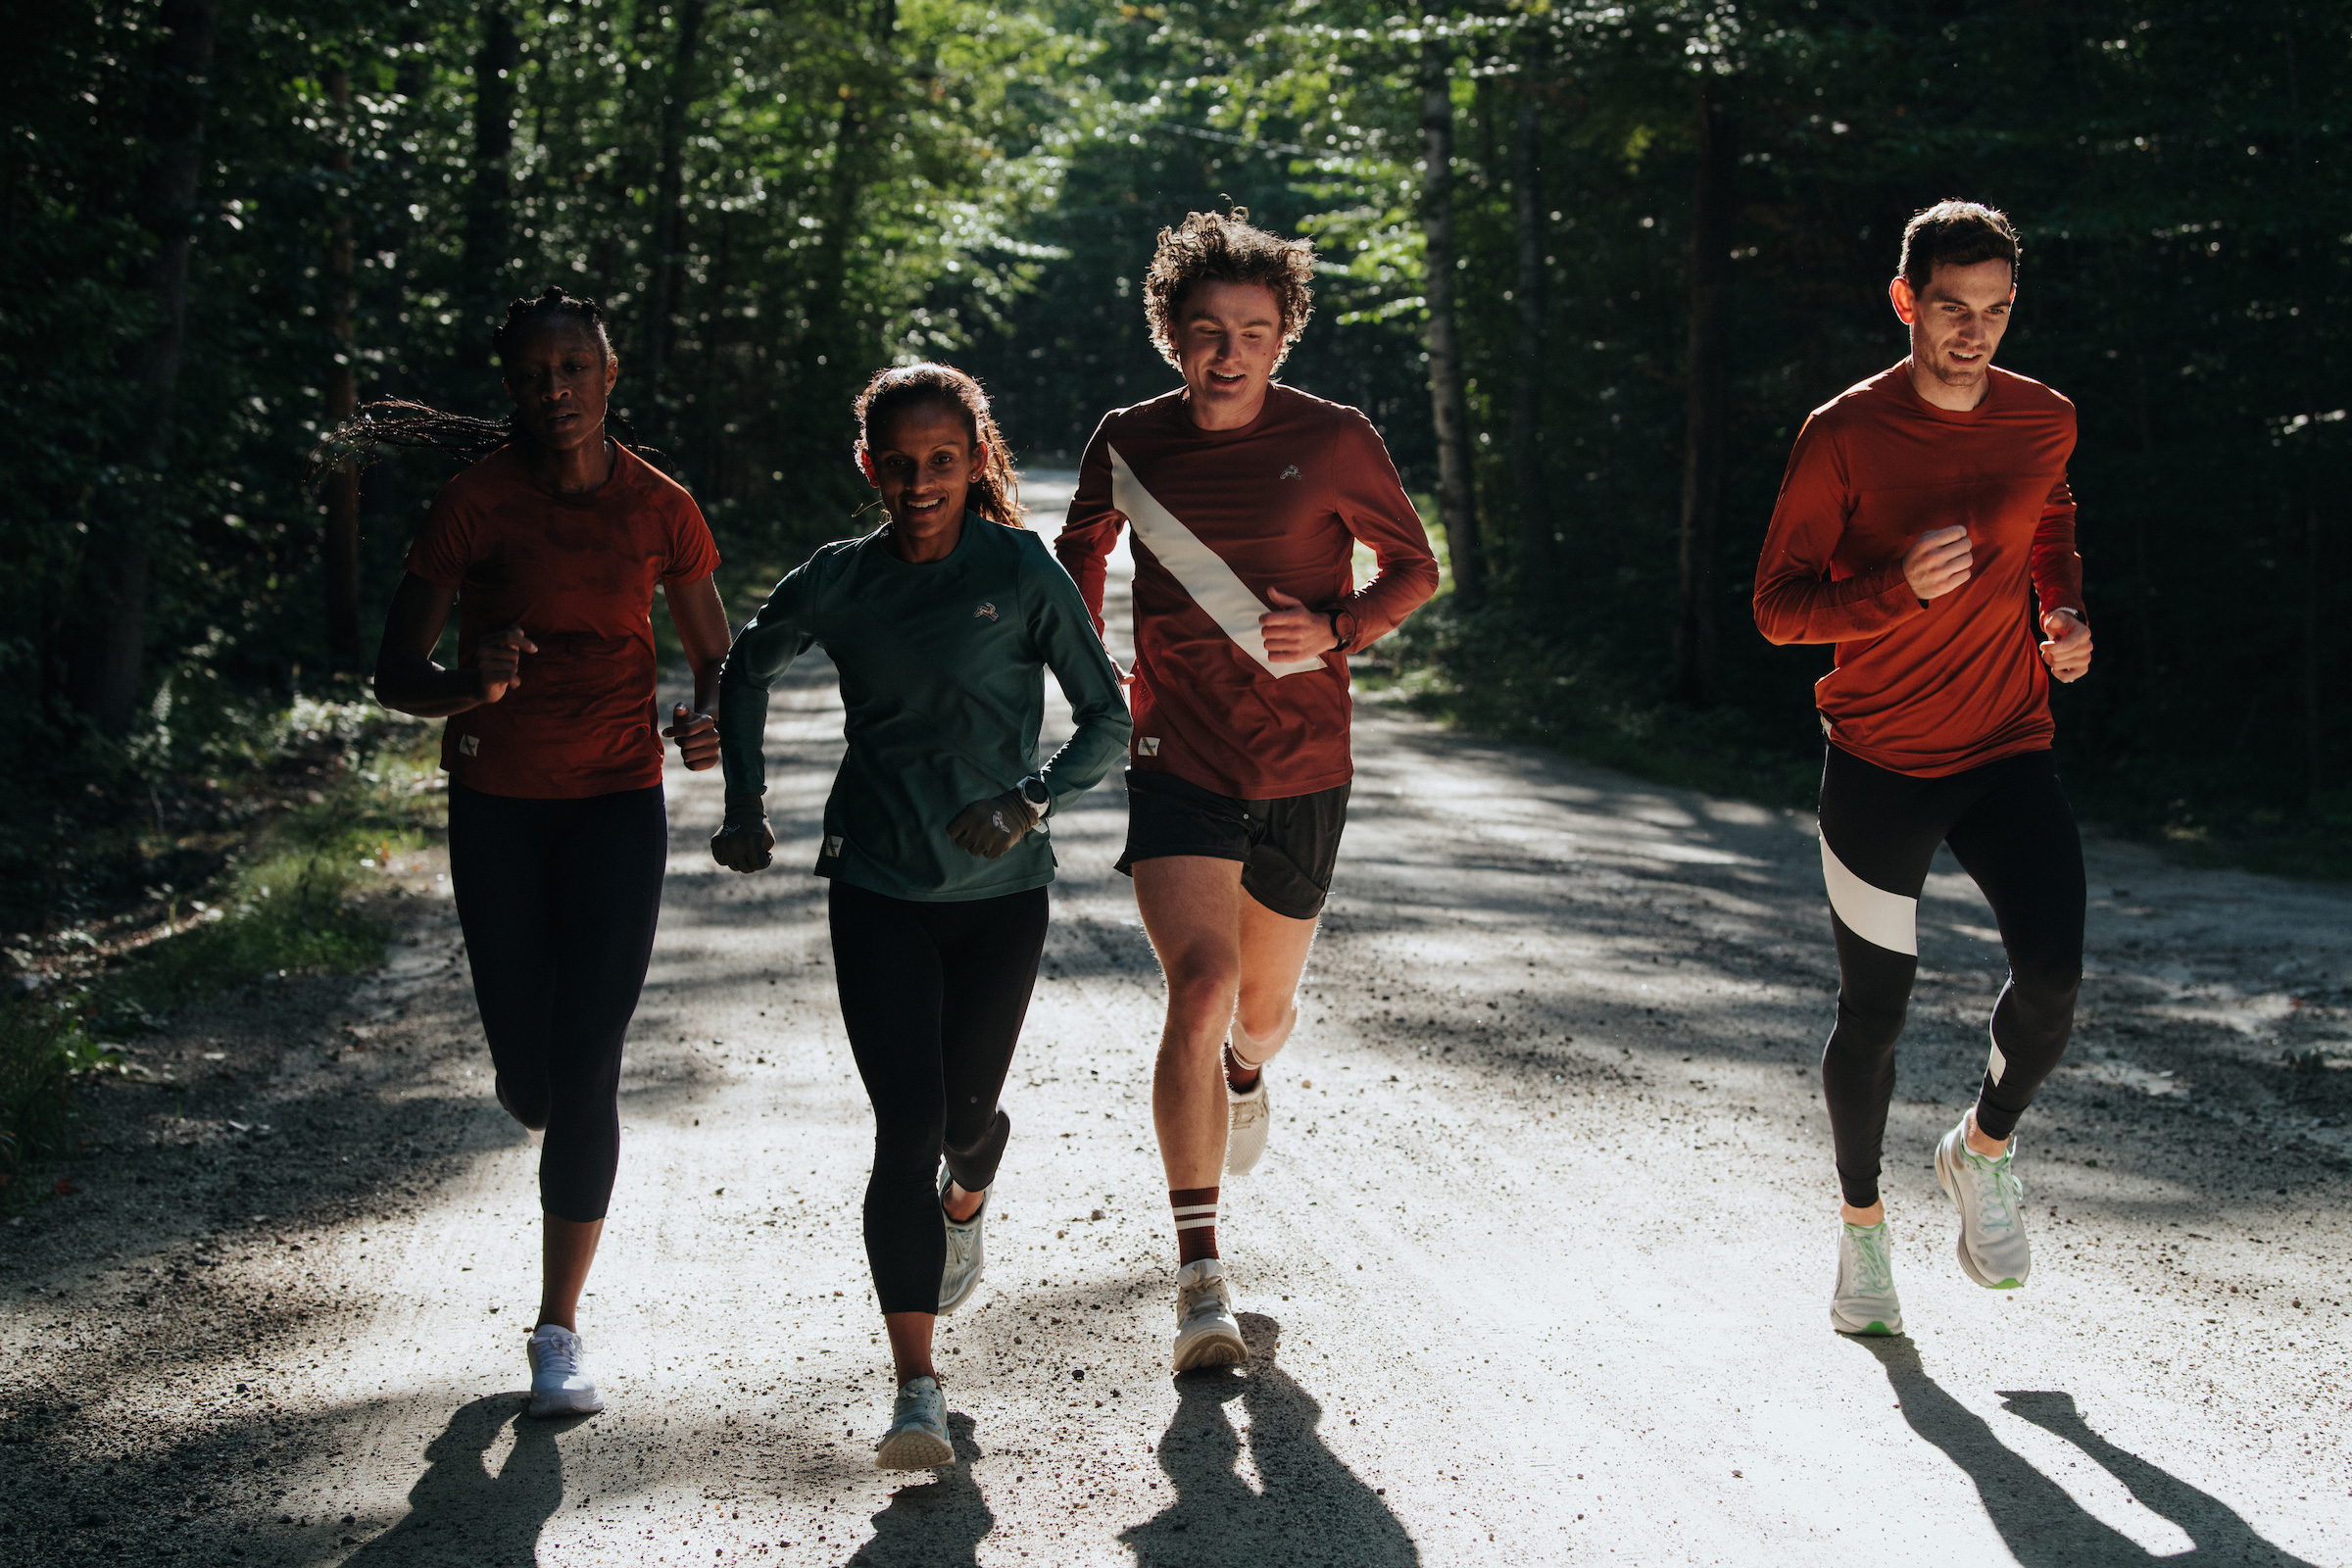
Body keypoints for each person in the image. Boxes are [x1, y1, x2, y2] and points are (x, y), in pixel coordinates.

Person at [711, 364, 1129, 1468]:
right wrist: (744, 803)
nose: (918, 481)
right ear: (868, 467)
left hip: (1001, 896)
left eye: (942, 460)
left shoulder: (1022, 569)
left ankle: (976, 1174)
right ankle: (916, 1387)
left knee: (959, 1120)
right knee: (903, 1124)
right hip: (878, 884)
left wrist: (1031, 797)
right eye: (896, 462)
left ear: (977, 461)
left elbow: (1107, 718)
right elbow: (742, 670)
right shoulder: (840, 579)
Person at [1054, 209, 1439, 1372]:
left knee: (1258, 1015)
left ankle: (1250, 1071)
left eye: (1254, 332)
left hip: (1304, 762)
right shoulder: (1128, 438)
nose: (1228, 353)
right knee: (1201, 983)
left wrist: (1339, 626)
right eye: (1207, 330)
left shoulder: (1333, 440)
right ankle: (1200, 1273)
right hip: (1179, 753)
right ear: (1171, 332)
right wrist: (1100, 670)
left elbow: (1414, 567)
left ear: (1285, 339)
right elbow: (1075, 552)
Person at [356, 287, 732, 1416]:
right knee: (531, 1076)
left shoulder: (662, 507)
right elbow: (392, 675)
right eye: (531, 375)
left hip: (619, 799)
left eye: (573, 369)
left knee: (588, 1063)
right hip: (499, 806)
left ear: (609, 377)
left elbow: (717, 655)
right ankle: (537, 1092)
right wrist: (473, 679)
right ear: (510, 386)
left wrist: (708, 720)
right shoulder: (471, 506)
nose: (553, 391)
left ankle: (556, 1328)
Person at [1752, 201, 2094, 1337]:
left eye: (1996, 310)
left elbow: (2051, 521)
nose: (1975, 332)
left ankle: (1981, 1147)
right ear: (1907, 301)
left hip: (2006, 746)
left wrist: (2064, 610)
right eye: (1952, 308)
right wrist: (1896, 587)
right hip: (1881, 760)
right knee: (1876, 1013)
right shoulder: (1843, 434)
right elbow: (1776, 608)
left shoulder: (2044, 417)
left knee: (2052, 978)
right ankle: (1862, 1231)